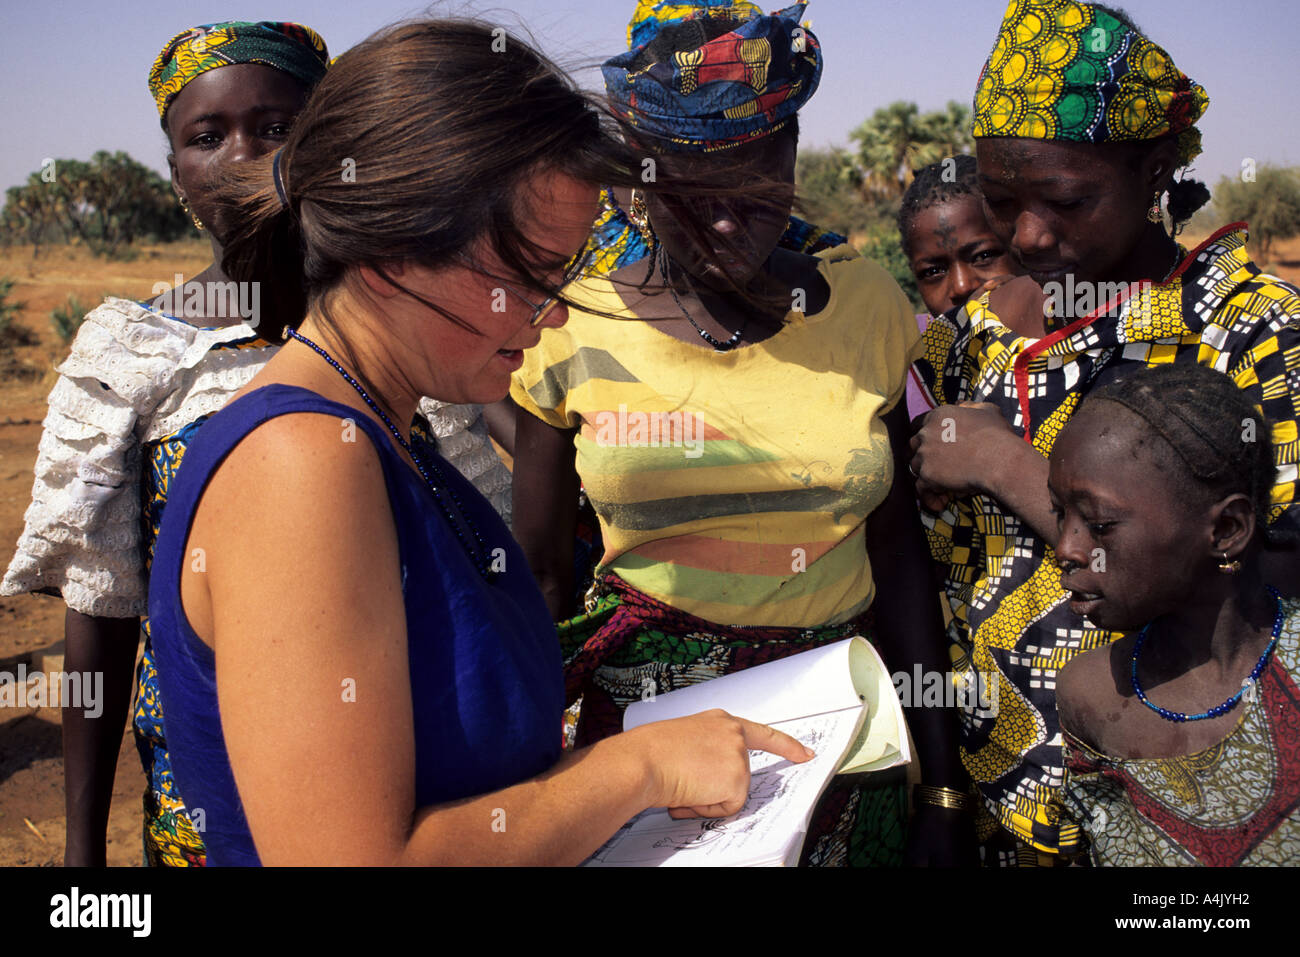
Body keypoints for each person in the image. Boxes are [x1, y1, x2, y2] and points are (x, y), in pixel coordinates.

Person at [145, 17, 810, 867]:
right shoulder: (301, 464)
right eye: (529, 273)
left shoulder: (388, 427)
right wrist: (635, 768)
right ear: (396, 245)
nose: (554, 311)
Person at [511, 3, 970, 866]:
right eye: (690, 191)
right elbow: (537, 577)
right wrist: (537, 793)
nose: (725, 220)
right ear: (640, 183)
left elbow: (901, 559)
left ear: (794, 161)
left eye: (756, 183)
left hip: (840, 736)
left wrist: (942, 793)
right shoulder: (572, 325)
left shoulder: (865, 306)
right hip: (644, 747)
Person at [908, 0, 1300, 865]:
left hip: (1172, 806)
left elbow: (1277, 574)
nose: (1028, 235)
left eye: (1065, 200)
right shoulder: (971, 338)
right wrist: (939, 781)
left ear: (1155, 167)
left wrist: (1007, 466)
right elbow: (907, 546)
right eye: (1003, 203)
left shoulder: (1246, 331)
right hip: (993, 794)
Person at [0, 20, 331, 867]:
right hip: (204, 769)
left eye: (278, 127)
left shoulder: (395, 323)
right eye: (207, 137)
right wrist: (82, 853)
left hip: (398, 749)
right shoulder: (132, 352)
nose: (243, 155)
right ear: (176, 173)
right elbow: (102, 608)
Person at [1052, 365, 1300, 866]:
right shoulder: (1091, 694)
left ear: (1227, 528)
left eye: (1099, 525)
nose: (1066, 549)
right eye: (1060, 513)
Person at [897, 154, 1021, 419]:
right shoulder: (906, 358)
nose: (962, 287)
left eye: (984, 256)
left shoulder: (1064, 338)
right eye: (933, 271)